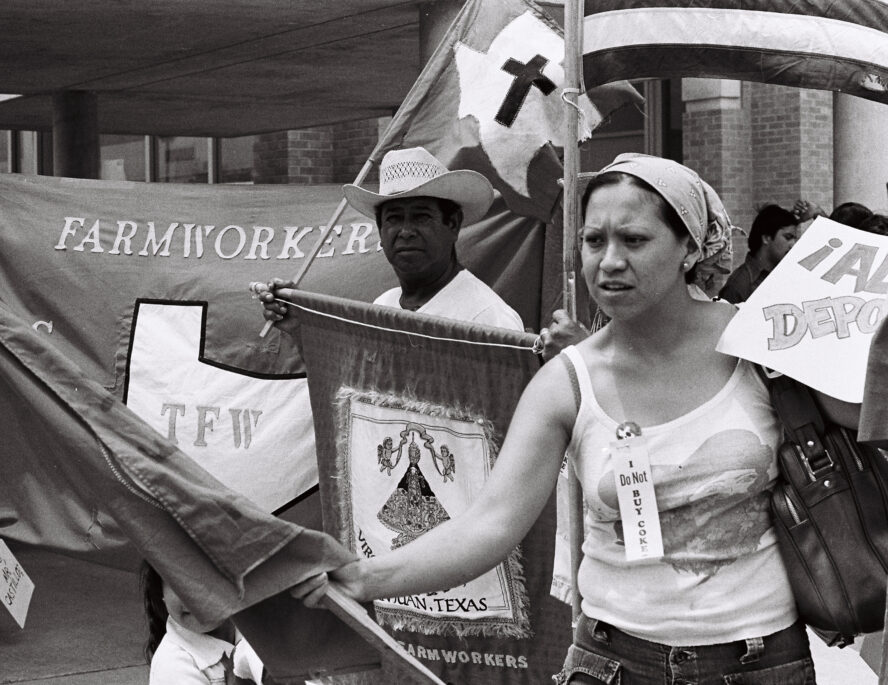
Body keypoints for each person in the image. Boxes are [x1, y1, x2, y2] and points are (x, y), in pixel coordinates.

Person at [292, 154, 834, 684]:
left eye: (635, 240)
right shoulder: (565, 381)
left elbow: (864, 439)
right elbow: (491, 525)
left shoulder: (767, 345)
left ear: (689, 248)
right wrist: (361, 578)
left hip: (762, 661)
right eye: (594, 240)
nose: (610, 260)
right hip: (611, 662)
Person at [257, 146, 587, 350]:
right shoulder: (382, 308)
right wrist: (301, 327)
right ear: (380, 232)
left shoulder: (489, 318)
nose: (406, 231)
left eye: (421, 217)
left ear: (453, 224)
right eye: (394, 219)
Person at [141, 561, 263, 685]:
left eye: (206, 579)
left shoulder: (255, 624)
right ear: (161, 591)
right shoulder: (173, 666)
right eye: (177, 583)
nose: (192, 598)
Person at [718, 204, 799, 304]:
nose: (793, 245)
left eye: (795, 239)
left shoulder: (787, 275)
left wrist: (818, 213)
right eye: (788, 237)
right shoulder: (739, 285)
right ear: (766, 238)